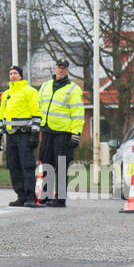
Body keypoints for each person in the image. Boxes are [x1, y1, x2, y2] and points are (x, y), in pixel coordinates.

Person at [37, 59, 85, 207]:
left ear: (67, 71)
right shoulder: (45, 86)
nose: (61, 70)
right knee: (46, 165)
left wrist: (75, 134)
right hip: (46, 131)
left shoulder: (73, 89)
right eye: (59, 68)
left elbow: (77, 113)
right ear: (55, 69)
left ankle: (60, 198)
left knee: (61, 166)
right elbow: (38, 107)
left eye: (64, 68)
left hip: (63, 134)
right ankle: (45, 195)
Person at [0, 65, 41, 206]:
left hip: (24, 134)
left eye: (15, 73)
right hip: (10, 135)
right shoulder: (6, 95)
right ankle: (21, 195)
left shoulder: (30, 92)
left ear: (21, 75)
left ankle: (30, 197)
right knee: (13, 166)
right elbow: (2, 117)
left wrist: (35, 133)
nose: (13, 76)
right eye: (10, 73)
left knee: (27, 165)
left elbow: (36, 113)